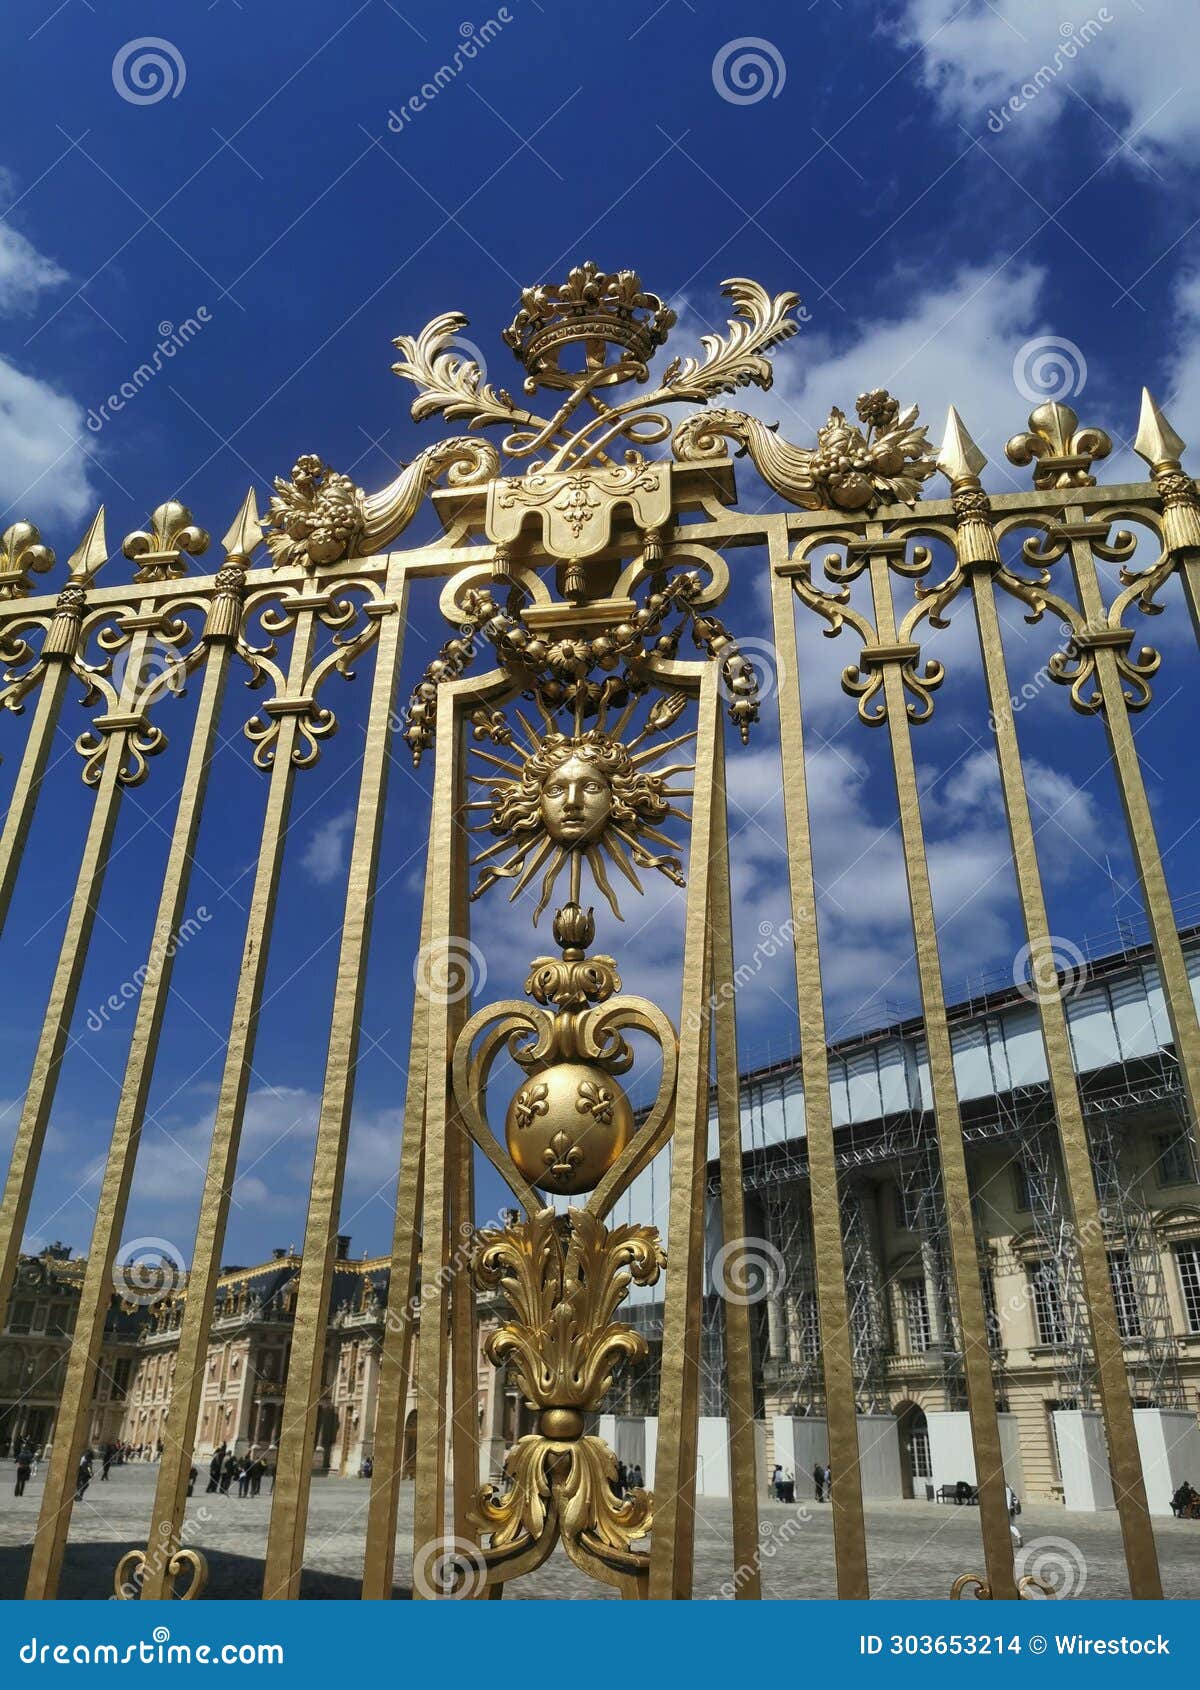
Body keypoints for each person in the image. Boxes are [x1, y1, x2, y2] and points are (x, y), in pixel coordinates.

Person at [1006, 1483, 1022, 1547]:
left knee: (1008, 1525)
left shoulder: (1003, 1489)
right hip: (1012, 1509)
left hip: (1007, 1509)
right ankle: (1018, 1536)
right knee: (1011, 1525)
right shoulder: (1010, 1488)